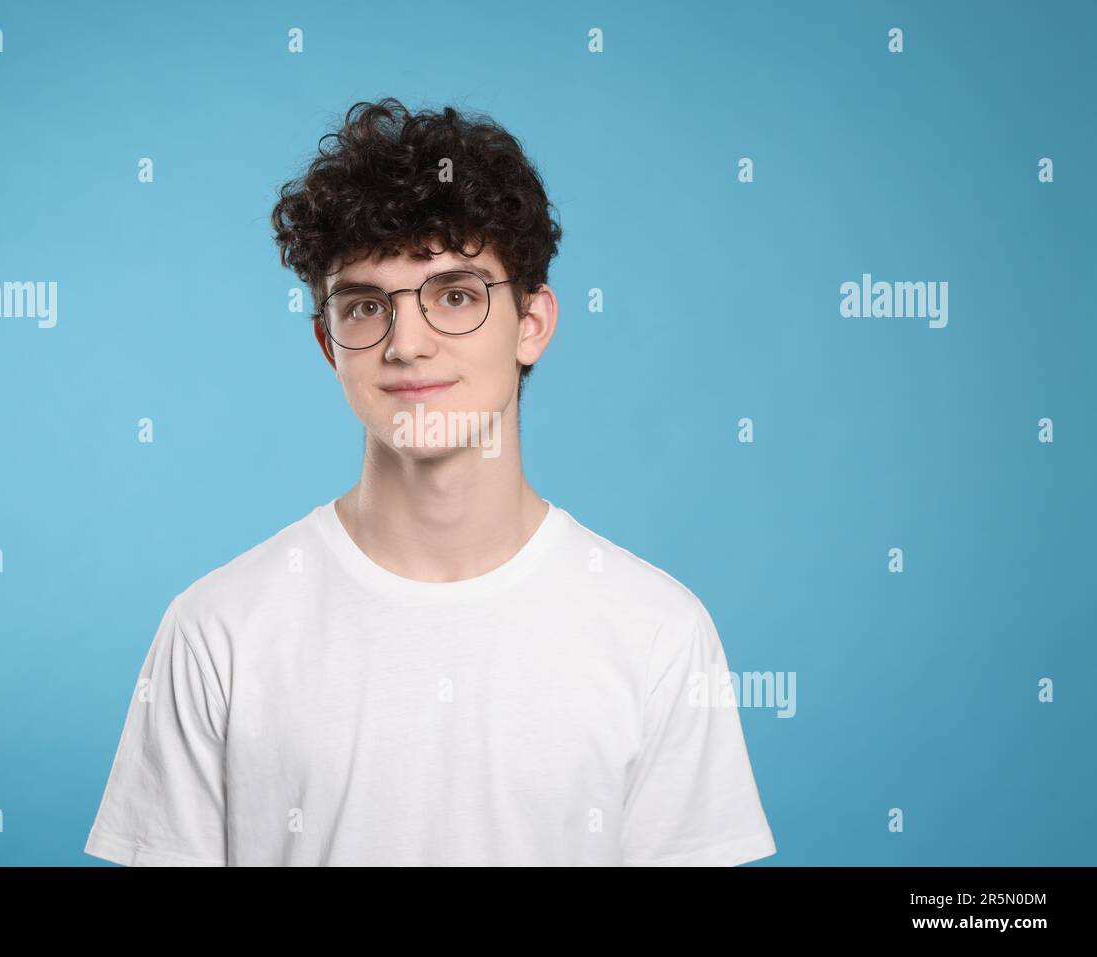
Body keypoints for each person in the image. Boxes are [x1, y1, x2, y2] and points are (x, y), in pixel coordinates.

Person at [84, 98, 776, 866]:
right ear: (328, 343)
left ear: (532, 324)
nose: (407, 343)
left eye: (456, 294)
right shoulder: (217, 629)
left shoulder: (660, 632)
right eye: (366, 306)